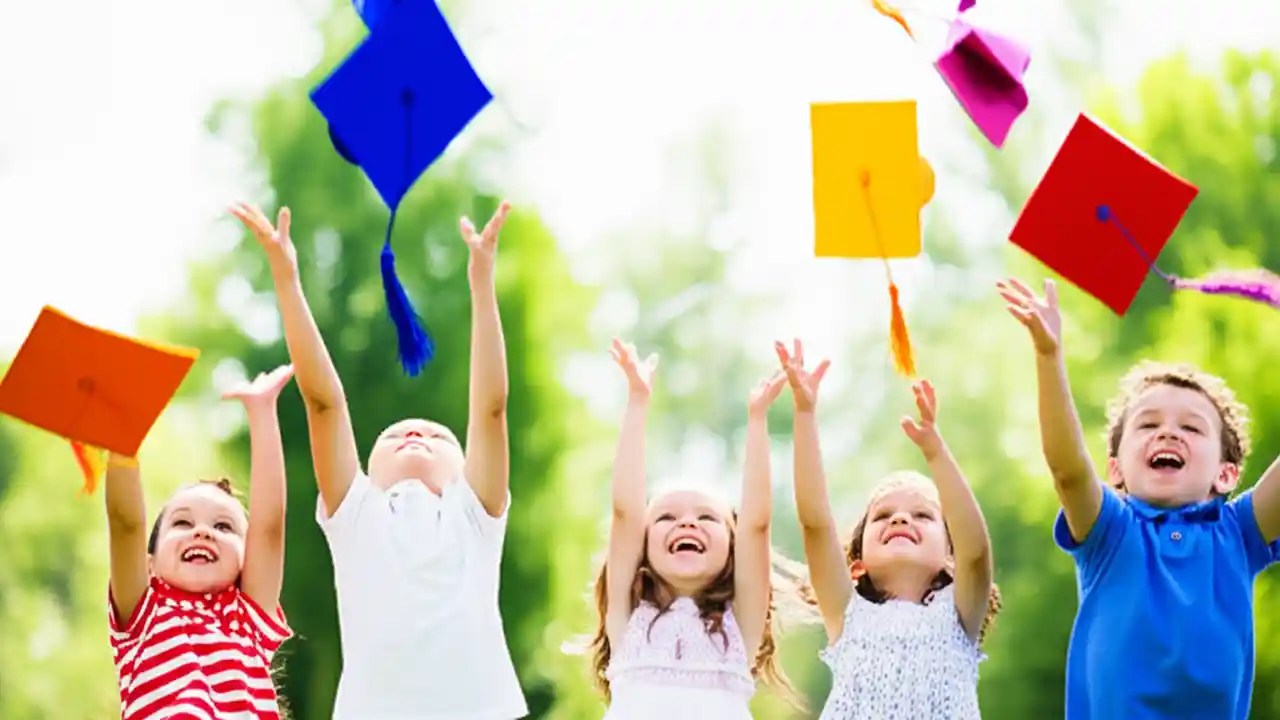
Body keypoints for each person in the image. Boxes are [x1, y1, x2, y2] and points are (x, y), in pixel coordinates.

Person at [231, 200, 527, 719]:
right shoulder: (358, 518)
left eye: (437, 435)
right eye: (394, 436)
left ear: (466, 469)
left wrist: (482, 285)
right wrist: (287, 280)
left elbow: (491, 409)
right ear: (366, 472)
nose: (414, 432)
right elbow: (323, 403)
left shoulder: (473, 516)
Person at [998, 276, 1280, 718]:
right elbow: (1067, 470)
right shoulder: (1110, 533)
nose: (1167, 431)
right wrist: (1049, 356)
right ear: (1115, 470)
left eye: (1191, 428)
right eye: (1148, 425)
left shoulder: (1239, 535)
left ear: (1226, 474)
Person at [777, 339, 998, 719]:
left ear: (949, 558)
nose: (900, 519)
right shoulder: (847, 613)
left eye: (922, 516)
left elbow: (975, 551)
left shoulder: (960, 615)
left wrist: (935, 451)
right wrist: (804, 413)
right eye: (883, 516)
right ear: (857, 563)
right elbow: (815, 523)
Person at [588, 339, 802, 719]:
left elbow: (756, 525)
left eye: (707, 518)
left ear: (732, 549)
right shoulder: (628, 621)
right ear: (644, 545)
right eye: (666, 518)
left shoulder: (740, 631)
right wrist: (637, 400)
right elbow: (624, 512)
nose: (687, 522)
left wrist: (757, 419)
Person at [106, 364, 295, 719]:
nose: (202, 531)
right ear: (150, 563)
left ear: (246, 560)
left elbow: (270, 526)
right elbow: (125, 524)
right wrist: (121, 430)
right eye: (182, 522)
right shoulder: (143, 614)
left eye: (223, 527)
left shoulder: (246, 618)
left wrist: (262, 411)